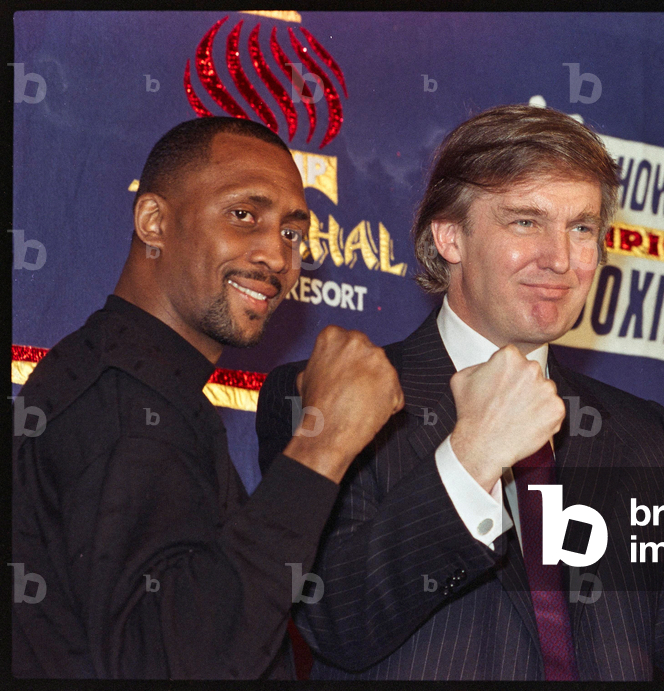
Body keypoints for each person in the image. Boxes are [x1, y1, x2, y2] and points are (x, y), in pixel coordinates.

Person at [255, 104, 664, 681]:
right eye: (525, 222)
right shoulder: (331, 394)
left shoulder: (635, 431)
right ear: (449, 236)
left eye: (582, 228)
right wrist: (472, 459)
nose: (560, 259)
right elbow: (336, 623)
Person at [12, 117, 403, 679]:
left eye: (293, 232)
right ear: (153, 221)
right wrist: (323, 443)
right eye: (244, 215)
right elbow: (175, 662)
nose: (276, 255)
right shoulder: (126, 396)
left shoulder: (145, 384)